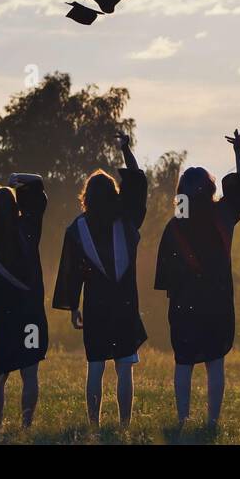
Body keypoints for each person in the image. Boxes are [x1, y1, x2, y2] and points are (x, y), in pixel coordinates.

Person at [154, 129, 240, 428]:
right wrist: (238, 152)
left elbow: (167, 276)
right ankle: (212, 421)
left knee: (183, 362)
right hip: (218, 302)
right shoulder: (222, 214)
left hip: (185, 304)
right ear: (211, 190)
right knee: (215, 362)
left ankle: (183, 419)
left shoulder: (175, 226)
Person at [53, 135, 147, 428]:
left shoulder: (77, 229)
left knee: (95, 367)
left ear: (87, 197)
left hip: (95, 305)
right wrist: (125, 149)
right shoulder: (126, 220)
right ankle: (125, 425)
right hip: (125, 303)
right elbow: (137, 183)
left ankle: (93, 426)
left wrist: (73, 307)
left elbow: (71, 272)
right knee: (124, 369)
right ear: (114, 193)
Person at [0, 173, 49, 431]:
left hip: (3, 317)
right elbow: (38, 188)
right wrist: (17, 178)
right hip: (31, 316)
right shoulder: (28, 228)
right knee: (30, 374)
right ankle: (26, 425)